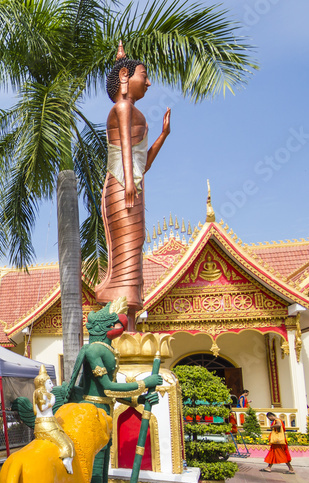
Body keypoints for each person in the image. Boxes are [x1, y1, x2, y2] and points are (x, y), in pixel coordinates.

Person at [95, 42, 171, 327]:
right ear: (125, 76)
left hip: (133, 184)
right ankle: (118, 318)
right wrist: (128, 183)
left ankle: (131, 318)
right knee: (125, 249)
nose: (148, 82)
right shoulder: (122, 107)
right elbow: (125, 149)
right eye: (144, 75)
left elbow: (143, 164)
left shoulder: (135, 112)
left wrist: (163, 135)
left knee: (135, 246)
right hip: (121, 185)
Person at [32, 365, 74, 474]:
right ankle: (66, 461)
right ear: (42, 383)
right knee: (66, 445)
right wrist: (52, 402)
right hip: (45, 424)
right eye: (49, 383)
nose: (52, 385)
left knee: (70, 442)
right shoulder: (40, 393)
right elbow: (42, 408)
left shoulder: (47, 394)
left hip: (49, 422)